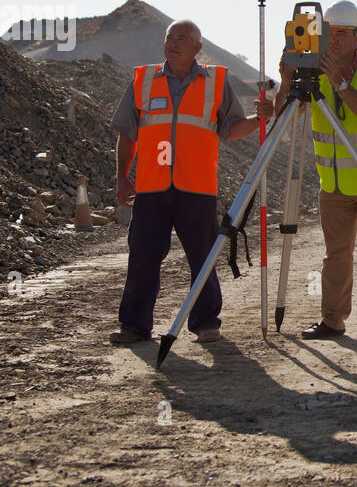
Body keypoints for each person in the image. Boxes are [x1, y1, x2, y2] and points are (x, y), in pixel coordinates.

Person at [108, 18, 269, 345]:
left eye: (182, 38)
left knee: (203, 256)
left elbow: (231, 129)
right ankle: (134, 326)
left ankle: (206, 322)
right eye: (169, 37)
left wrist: (259, 119)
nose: (173, 42)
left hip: (196, 187)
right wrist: (122, 178)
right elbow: (128, 133)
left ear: (198, 47)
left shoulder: (215, 82)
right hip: (151, 187)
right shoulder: (143, 79)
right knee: (142, 257)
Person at [264, 0, 357, 346]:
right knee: (336, 255)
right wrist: (286, 80)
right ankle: (332, 320)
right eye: (332, 32)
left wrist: (340, 83)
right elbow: (285, 117)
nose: (337, 39)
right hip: (335, 184)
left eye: (344, 33)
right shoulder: (311, 72)